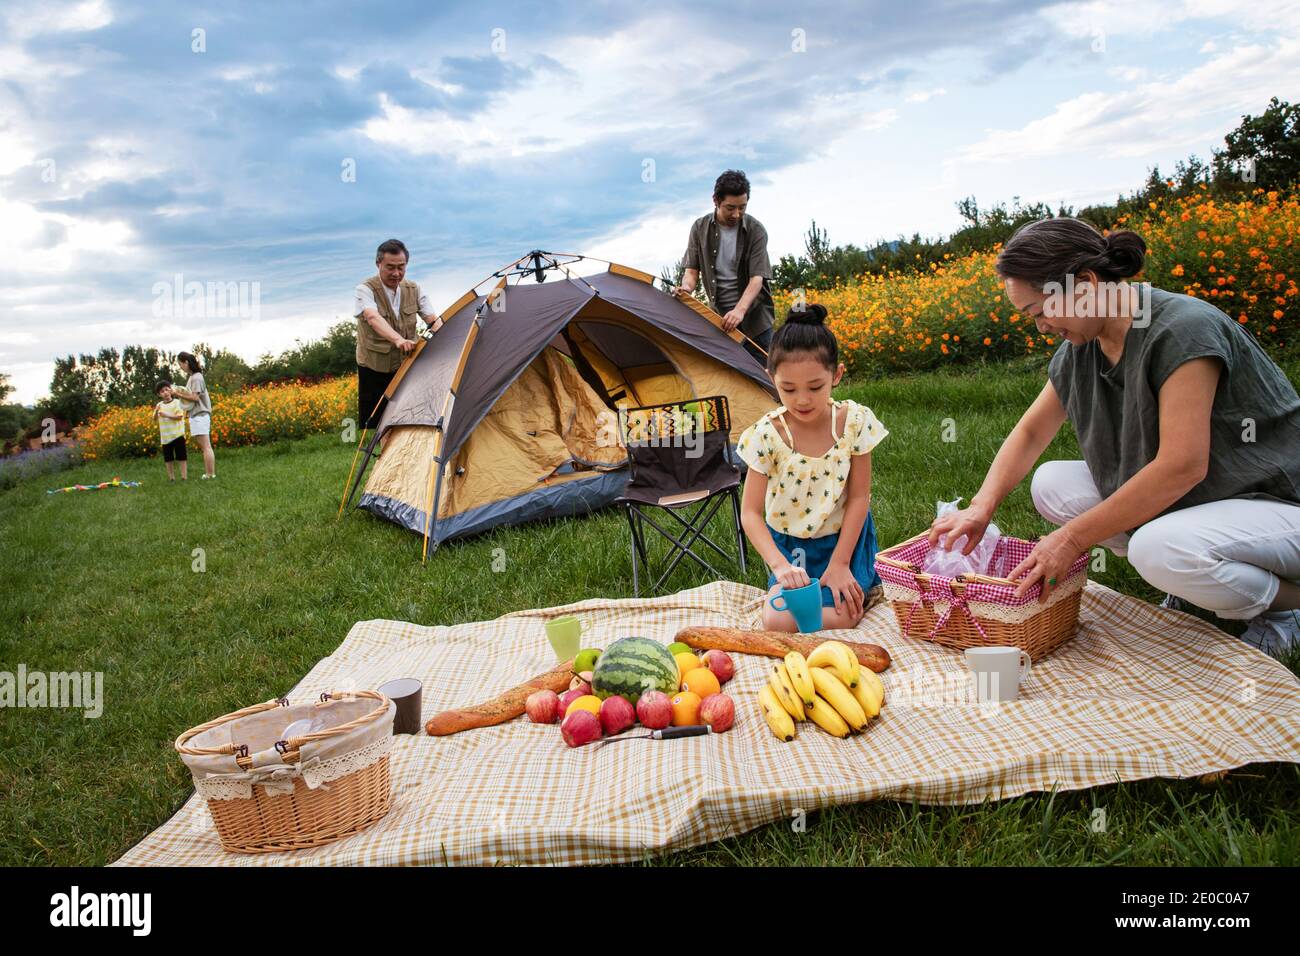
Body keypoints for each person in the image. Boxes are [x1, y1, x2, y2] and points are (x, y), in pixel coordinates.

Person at [929, 217, 1300, 656]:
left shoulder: (1183, 329)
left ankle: (1287, 609)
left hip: (1277, 503)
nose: (1041, 328)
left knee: (1157, 550)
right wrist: (980, 507)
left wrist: (1069, 540)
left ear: (1084, 284)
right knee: (1052, 485)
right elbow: (1031, 431)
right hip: (1214, 499)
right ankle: (1196, 579)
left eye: (1041, 311)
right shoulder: (1082, 349)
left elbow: (1183, 465)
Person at [736, 304, 888, 631]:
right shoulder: (766, 435)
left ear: (837, 375)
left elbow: (860, 497)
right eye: (788, 389)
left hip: (844, 541)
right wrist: (780, 567)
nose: (802, 400)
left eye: (815, 387)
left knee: (845, 615)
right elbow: (749, 513)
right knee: (776, 620)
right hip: (790, 550)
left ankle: (845, 581)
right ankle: (809, 597)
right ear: (770, 378)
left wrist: (841, 563)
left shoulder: (854, 423)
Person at [675, 169, 776, 365]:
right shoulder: (699, 228)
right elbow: (691, 271)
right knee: (733, 379)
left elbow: (757, 278)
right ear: (716, 200)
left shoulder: (756, 230)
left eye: (742, 207)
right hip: (721, 321)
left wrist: (739, 311)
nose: (737, 214)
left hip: (756, 321)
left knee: (766, 381)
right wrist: (686, 288)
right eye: (730, 208)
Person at [354, 239, 443, 436]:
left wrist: (447, 336)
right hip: (374, 367)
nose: (396, 273)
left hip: (407, 365)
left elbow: (433, 320)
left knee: (412, 416)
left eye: (401, 267)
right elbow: (372, 317)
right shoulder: (365, 290)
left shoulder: (415, 289)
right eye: (390, 268)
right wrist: (398, 340)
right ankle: (386, 462)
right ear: (378, 264)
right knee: (382, 424)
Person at [169, 352, 216, 479]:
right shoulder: (192, 377)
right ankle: (209, 473)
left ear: (186, 362)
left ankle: (210, 474)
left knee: (206, 446)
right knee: (204, 446)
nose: (180, 367)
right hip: (196, 415)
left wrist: (178, 395)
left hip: (200, 414)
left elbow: (195, 397)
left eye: (180, 364)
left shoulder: (196, 377)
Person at [153, 380, 187, 481]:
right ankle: (171, 478)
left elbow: (179, 416)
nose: (165, 392)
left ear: (170, 390)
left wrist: (166, 415)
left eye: (167, 389)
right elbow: (154, 419)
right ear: (159, 394)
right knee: (168, 459)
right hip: (165, 437)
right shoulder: (159, 405)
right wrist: (156, 412)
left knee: (182, 457)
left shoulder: (177, 403)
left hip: (178, 435)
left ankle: (184, 477)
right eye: (162, 391)